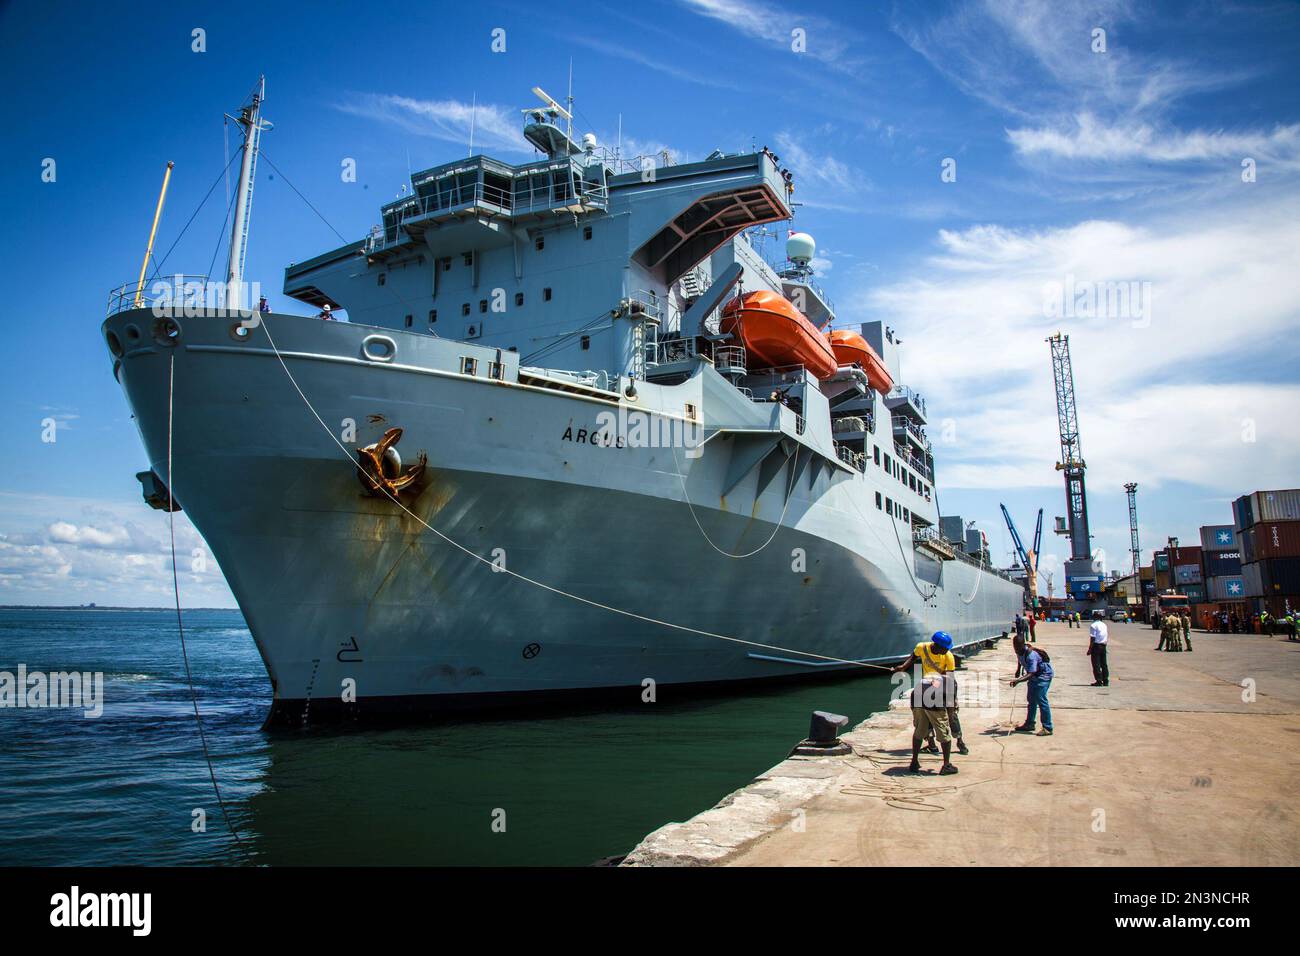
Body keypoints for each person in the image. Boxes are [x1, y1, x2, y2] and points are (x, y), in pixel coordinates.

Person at [891, 630, 960, 775]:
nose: (948, 650)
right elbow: (949, 681)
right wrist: (951, 705)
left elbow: (913, 656)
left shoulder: (924, 647)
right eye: (946, 647)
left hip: (919, 691)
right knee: (943, 731)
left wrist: (903, 667)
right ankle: (946, 765)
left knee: (919, 730)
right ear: (939, 646)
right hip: (933, 693)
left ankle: (914, 762)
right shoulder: (947, 656)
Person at [1010, 634, 1053, 735]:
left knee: (1041, 700)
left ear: (1022, 645)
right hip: (1034, 677)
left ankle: (1048, 727)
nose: (1015, 649)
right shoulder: (1019, 651)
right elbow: (1020, 660)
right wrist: (1018, 670)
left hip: (1043, 677)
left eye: (1017, 647)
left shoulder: (1031, 655)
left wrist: (1018, 681)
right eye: (1014, 646)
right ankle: (1030, 724)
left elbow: (1031, 673)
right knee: (1031, 700)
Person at [1087, 616, 1109, 686]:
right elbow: (1105, 635)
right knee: (1104, 664)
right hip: (1103, 645)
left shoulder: (1093, 625)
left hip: (1096, 646)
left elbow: (1093, 638)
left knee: (1096, 664)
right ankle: (1106, 680)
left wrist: (1090, 649)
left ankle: (1099, 681)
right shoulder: (1104, 624)